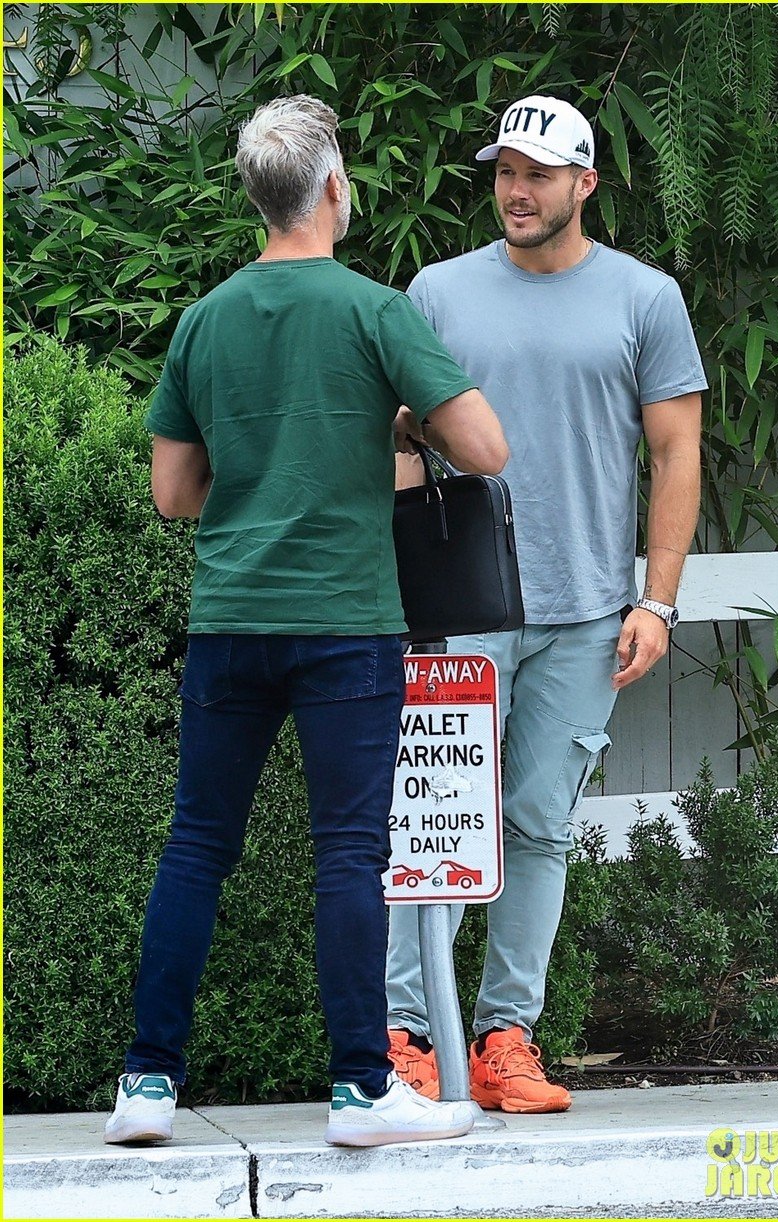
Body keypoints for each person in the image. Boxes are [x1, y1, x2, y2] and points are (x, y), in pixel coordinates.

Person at [104, 94, 508, 1150]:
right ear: (335, 189)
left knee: (196, 844)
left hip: (231, 616)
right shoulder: (375, 312)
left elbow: (174, 495)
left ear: (256, 198)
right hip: (345, 622)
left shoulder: (204, 319)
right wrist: (405, 420)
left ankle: (145, 1085)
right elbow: (488, 447)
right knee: (346, 853)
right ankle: (359, 1091)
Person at [388, 94, 706, 1113]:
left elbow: (674, 453)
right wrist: (406, 579)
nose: (515, 191)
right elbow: (392, 437)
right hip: (455, 605)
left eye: (536, 174)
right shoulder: (434, 293)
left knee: (535, 824)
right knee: (428, 815)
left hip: (581, 610)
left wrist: (655, 600)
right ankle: (405, 1037)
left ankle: (502, 1039)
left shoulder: (643, 298)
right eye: (503, 172)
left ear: (584, 185)